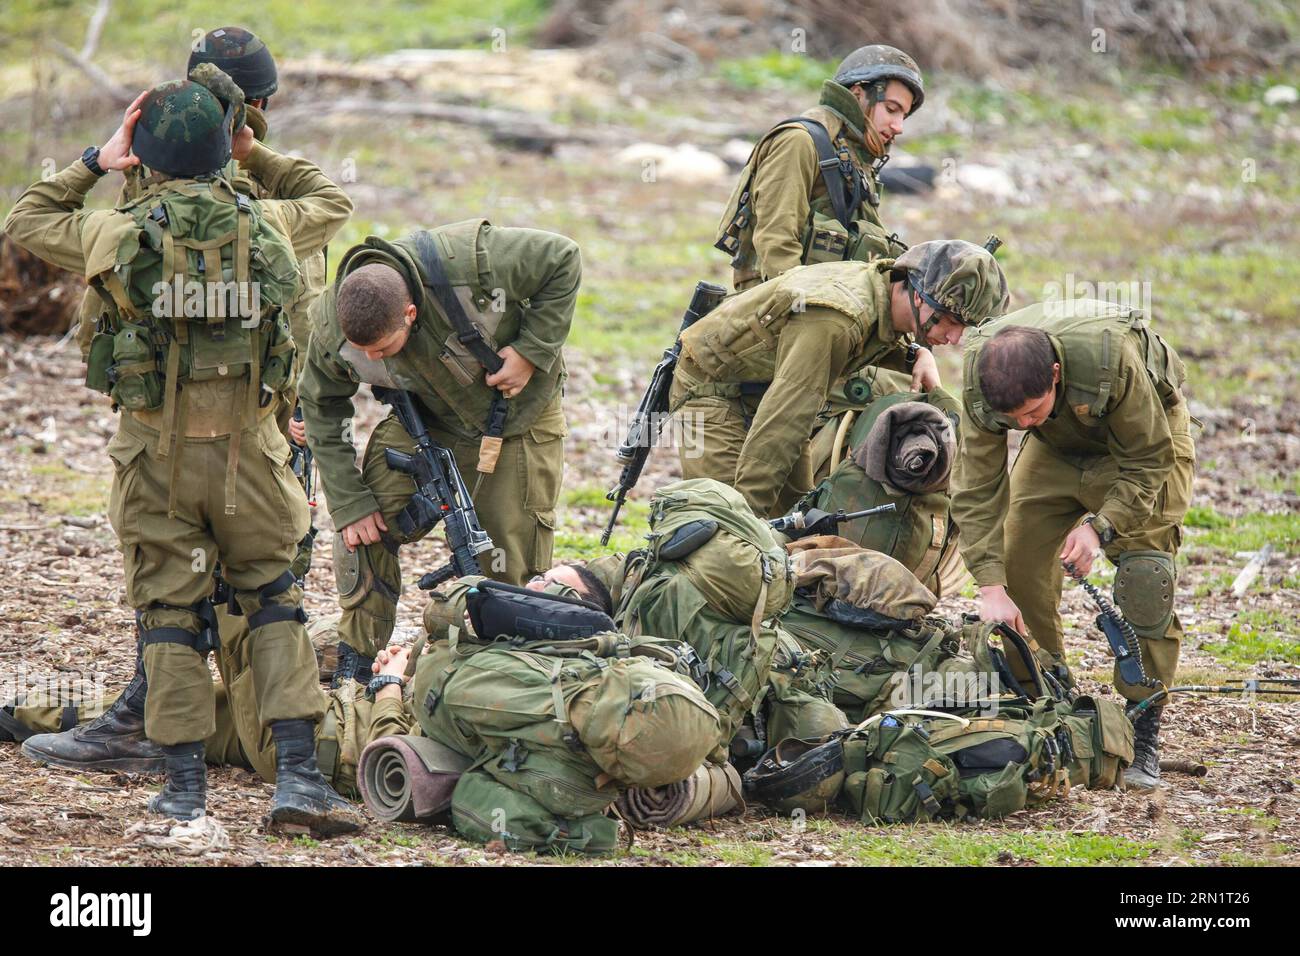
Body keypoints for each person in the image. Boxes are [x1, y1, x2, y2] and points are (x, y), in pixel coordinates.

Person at [3, 77, 360, 834]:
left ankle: (183, 791)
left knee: (168, 611)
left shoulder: (118, 233)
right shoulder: (267, 224)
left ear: (148, 157)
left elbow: (27, 217)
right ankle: (299, 778)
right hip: (255, 459)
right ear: (224, 146)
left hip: (157, 461)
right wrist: (255, 152)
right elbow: (332, 201)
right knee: (274, 603)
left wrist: (97, 161)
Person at [297, 219, 580, 674]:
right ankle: (359, 654)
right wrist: (348, 500)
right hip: (427, 421)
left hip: (516, 419)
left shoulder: (472, 263)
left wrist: (531, 351)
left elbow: (563, 256)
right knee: (362, 529)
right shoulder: (333, 322)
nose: (371, 360)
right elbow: (319, 403)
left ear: (410, 314)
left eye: (383, 348)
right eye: (361, 350)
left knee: (507, 569)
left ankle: (501, 674)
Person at [950, 298, 1196, 790]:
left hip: (1140, 445)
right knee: (1016, 560)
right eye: (1012, 418)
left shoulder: (1111, 360)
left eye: (1031, 410)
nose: (1021, 425)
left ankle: (1142, 719)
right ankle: (1044, 690)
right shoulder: (986, 383)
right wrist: (991, 586)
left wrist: (1099, 527)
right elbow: (976, 490)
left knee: (1146, 577)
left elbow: (1149, 459)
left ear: (1057, 374)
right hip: (1057, 448)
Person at [669, 240, 1008, 518]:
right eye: (951, 321)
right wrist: (744, 521)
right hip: (713, 390)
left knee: (795, 520)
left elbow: (874, 334)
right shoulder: (836, 320)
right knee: (721, 521)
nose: (954, 338)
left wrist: (914, 354)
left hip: (763, 386)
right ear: (920, 296)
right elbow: (785, 420)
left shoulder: (883, 292)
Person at [715, 45, 925, 291]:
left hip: (830, 299)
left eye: (904, 115)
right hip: (781, 306)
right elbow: (776, 242)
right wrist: (799, 308)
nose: (898, 126)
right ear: (858, 94)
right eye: (891, 109)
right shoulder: (800, 141)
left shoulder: (853, 153)